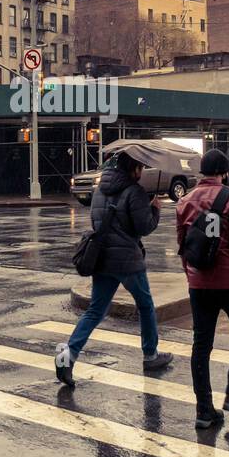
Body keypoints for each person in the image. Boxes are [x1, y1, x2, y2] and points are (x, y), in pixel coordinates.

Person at [57, 150, 173, 387]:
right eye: (140, 167)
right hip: (128, 261)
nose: (141, 172)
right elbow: (143, 227)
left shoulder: (99, 191)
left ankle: (68, 356)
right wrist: (155, 209)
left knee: (95, 311)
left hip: (102, 259)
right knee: (146, 305)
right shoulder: (135, 192)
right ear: (134, 169)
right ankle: (150, 355)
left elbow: (96, 222)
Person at [176, 148, 229, 429]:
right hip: (228, 283)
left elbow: (182, 246)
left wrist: (191, 277)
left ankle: (203, 409)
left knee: (201, 345)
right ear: (224, 172)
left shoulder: (184, 201)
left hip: (198, 284)